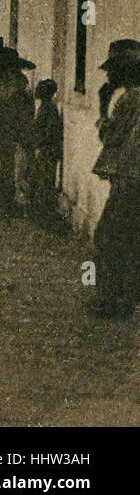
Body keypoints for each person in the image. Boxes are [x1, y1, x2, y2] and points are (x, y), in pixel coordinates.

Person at [90, 39, 140, 319]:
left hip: (130, 180)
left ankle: (112, 300)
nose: (109, 76)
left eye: (113, 70)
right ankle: (126, 299)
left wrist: (102, 106)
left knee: (109, 237)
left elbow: (110, 137)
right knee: (132, 239)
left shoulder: (130, 98)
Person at [29, 78, 64, 226]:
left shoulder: (49, 108)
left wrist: (39, 144)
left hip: (46, 150)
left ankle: (44, 214)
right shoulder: (46, 106)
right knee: (42, 180)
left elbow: (49, 132)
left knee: (45, 181)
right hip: (45, 149)